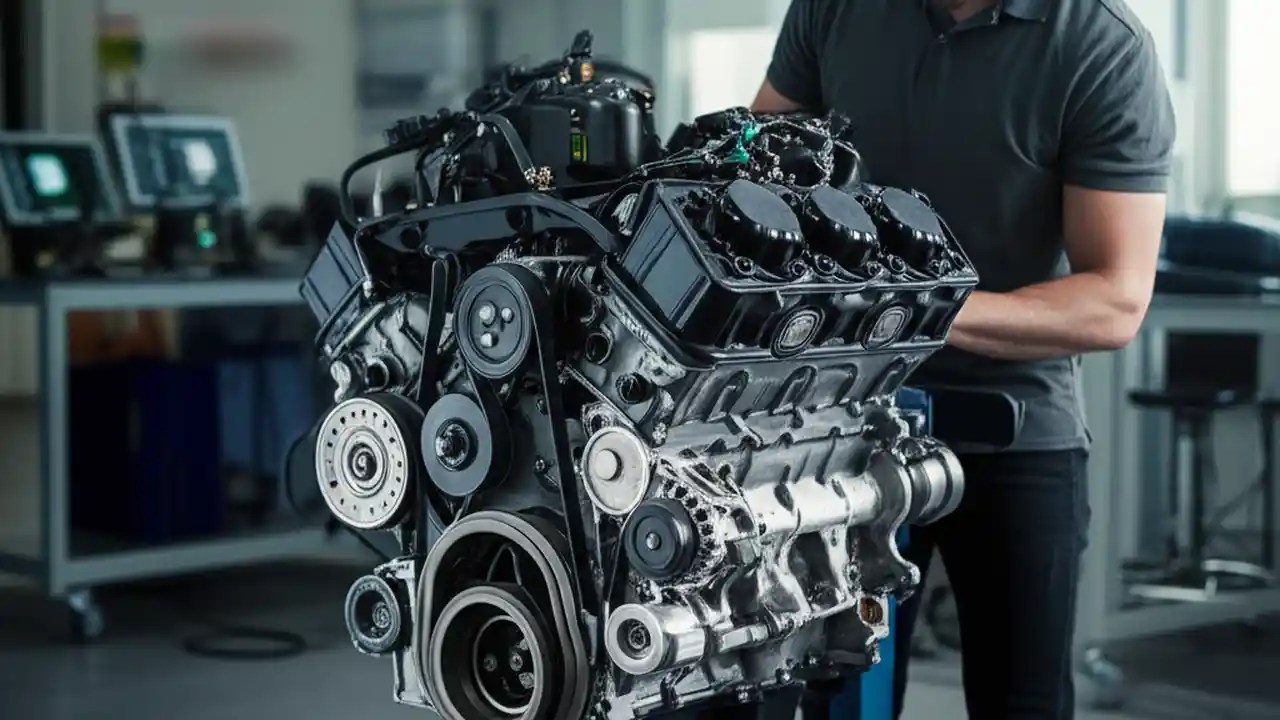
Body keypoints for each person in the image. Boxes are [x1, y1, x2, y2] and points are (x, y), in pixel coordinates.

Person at [753, 1, 1174, 718]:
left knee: (1022, 702)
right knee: (826, 697)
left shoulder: (1103, 44)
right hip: (834, 423)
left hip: (1014, 428)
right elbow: (753, 166)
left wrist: (904, 310)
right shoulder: (834, 8)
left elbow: (1114, 300)